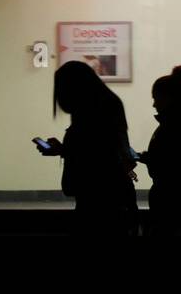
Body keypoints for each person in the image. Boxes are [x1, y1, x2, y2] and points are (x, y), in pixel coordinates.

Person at [37, 61, 139, 234]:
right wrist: (63, 150)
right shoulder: (104, 104)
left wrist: (63, 150)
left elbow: (96, 156)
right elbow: (99, 151)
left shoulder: (93, 110)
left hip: (101, 200)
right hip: (112, 196)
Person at [138, 66, 181, 235]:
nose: (154, 104)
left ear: (169, 98)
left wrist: (151, 159)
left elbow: (178, 165)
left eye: (156, 98)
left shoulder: (174, 127)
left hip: (172, 203)